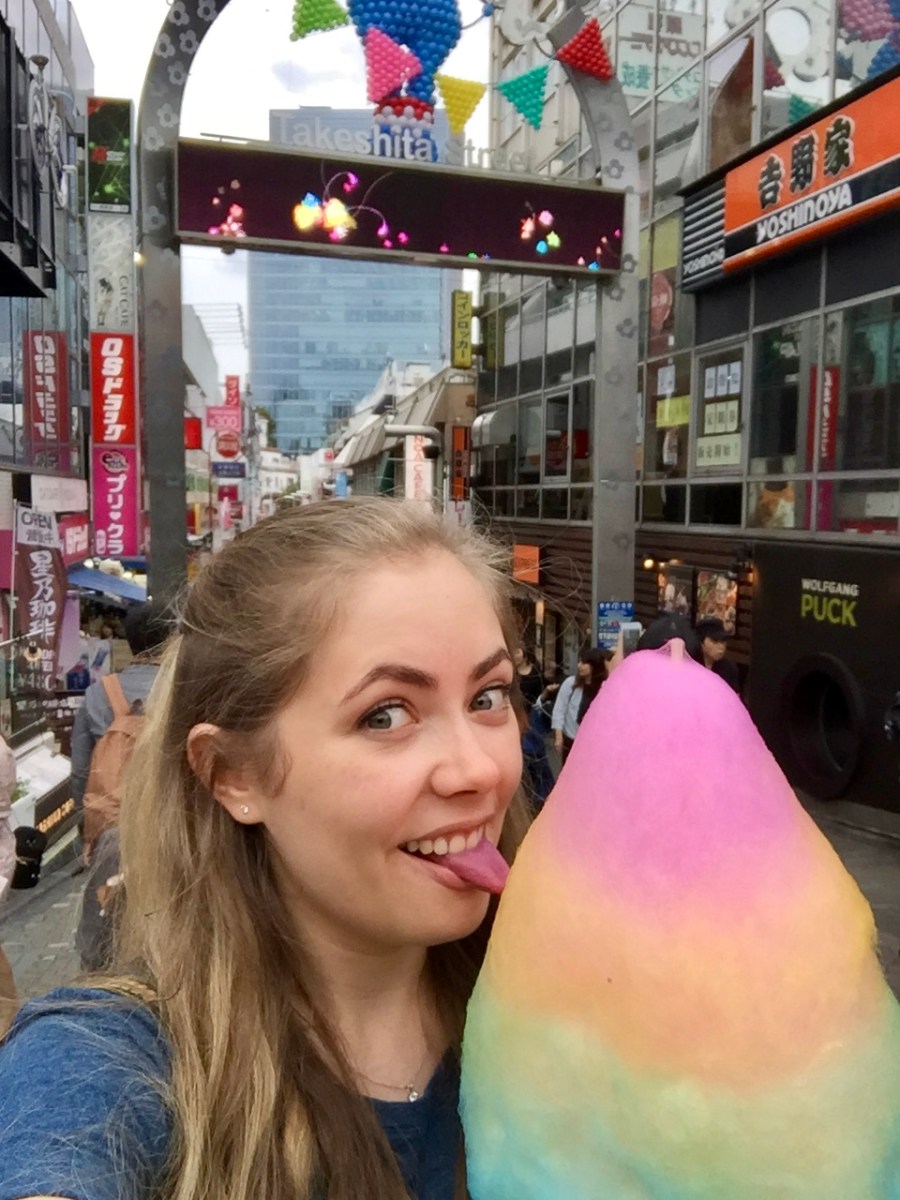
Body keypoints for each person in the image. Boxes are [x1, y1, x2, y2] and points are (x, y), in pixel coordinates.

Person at [0, 498, 530, 1200]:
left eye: (489, 696)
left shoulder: (564, 1018)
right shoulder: (110, 1064)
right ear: (231, 774)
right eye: (387, 714)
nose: (480, 771)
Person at [70, 600, 171, 839]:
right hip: (170, 824)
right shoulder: (185, 688)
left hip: (114, 828)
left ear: (129, 640)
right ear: (171, 638)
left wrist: (84, 820)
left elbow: (80, 769)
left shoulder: (98, 693)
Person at [551, 648, 608, 765]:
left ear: (594, 666)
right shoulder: (571, 683)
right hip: (571, 740)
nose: (579, 666)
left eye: (584, 663)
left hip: (594, 744)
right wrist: (558, 736)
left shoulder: (606, 688)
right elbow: (559, 709)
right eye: (579, 662)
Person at [695, 616, 740, 694]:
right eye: (715, 641)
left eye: (723, 641)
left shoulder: (729, 668)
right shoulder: (690, 665)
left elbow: (734, 698)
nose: (721, 646)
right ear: (702, 643)